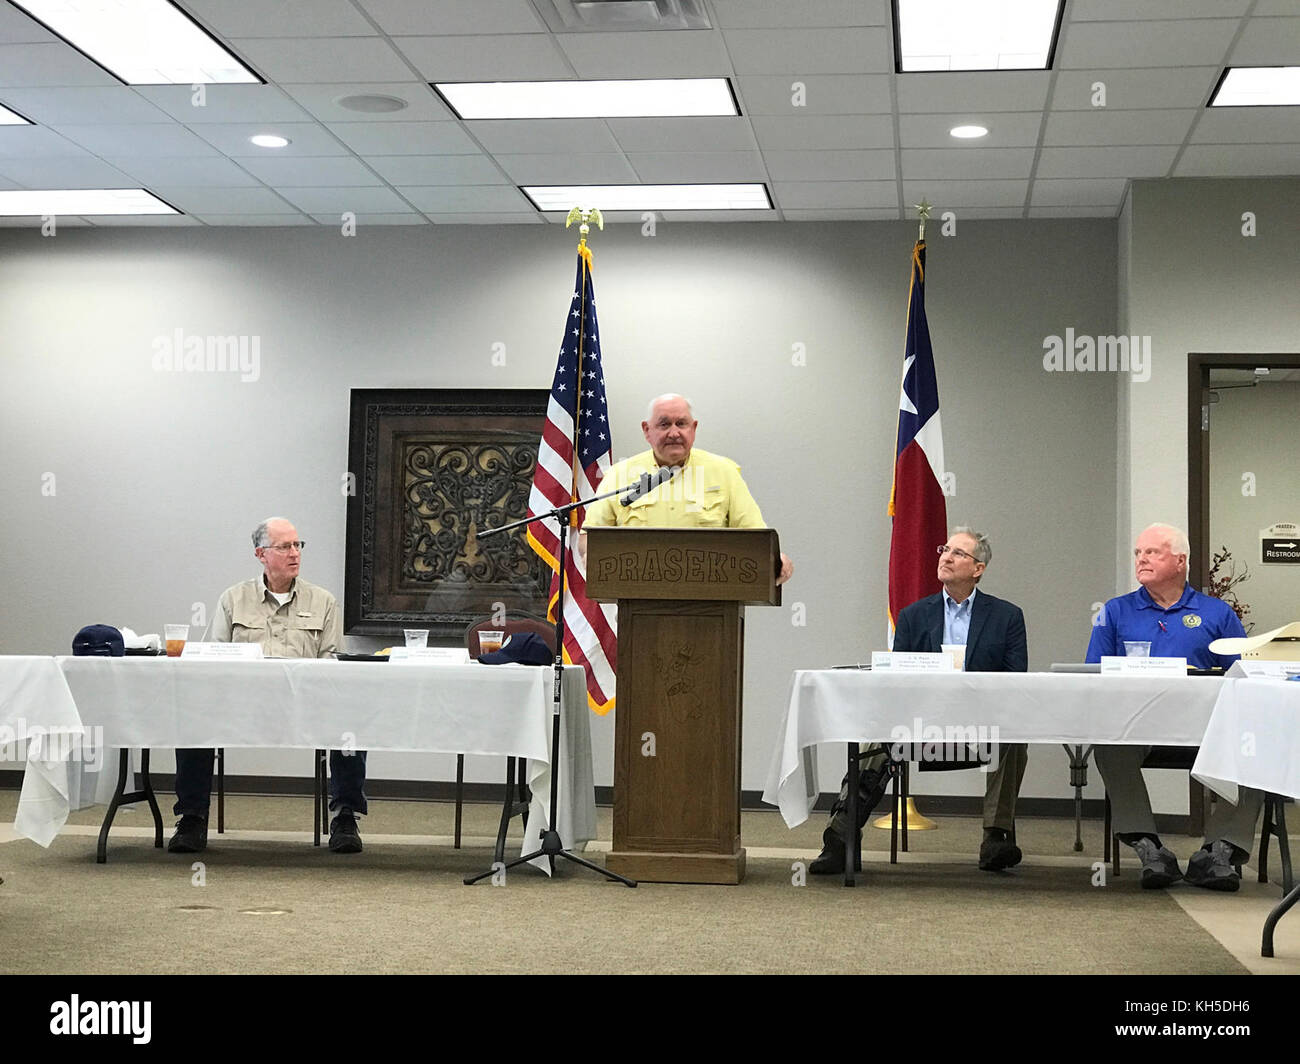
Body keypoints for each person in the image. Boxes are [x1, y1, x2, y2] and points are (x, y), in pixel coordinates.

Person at [811, 527, 1029, 874]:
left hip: (979, 724)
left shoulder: (1007, 617)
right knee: (877, 736)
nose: (945, 556)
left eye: (958, 553)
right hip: (919, 723)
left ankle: (996, 836)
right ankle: (841, 836)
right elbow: (900, 681)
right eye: (945, 549)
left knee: (1014, 735)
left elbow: (1015, 681)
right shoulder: (914, 615)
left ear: (978, 569)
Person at [168, 517, 368, 855]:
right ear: (261, 554)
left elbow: (332, 666)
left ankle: (345, 816)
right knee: (194, 718)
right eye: (284, 546)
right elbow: (210, 659)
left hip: (306, 704)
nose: (294, 553)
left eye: (297, 545)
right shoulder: (234, 599)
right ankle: (192, 817)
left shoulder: (323, 601)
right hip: (239, 705)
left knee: (349, 720)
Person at [1088, 523, 1249, 890]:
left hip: (1205, 728)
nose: (1141, 559)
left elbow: (1242, 675)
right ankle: (1150, 848)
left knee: (1252, 745)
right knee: (1109, 747)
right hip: (1137, 725)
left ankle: (1218, 852)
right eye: (1138, 553)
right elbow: (1093, 676)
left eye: (1152, 552)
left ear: (1180, 561)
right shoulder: (1115, 611)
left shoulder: (1217, 614)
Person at [582, 393, 793, 583]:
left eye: (681, 424)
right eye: (664, 425)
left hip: (713, 602)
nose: (674, 433)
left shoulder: (724, 472)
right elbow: (588, 539)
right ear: (647, 430)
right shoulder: (620, 475)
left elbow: (754, 538)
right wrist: (594, 558)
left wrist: (775, 561)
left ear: (693, 428)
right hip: (636, 601)